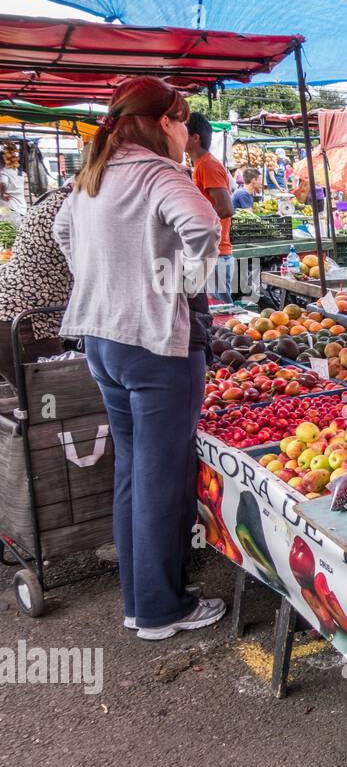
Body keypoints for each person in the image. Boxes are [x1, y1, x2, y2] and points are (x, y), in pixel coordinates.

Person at [52, 77, 225, 641]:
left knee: (133, 469)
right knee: (159, 474)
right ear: (162, 123)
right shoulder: (156, 174)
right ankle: (159, 609)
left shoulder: (91, 178)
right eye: (181, 122)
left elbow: (62, 234)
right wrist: (181, 282)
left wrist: (106, 278)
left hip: (101, 342)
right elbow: (203, 225)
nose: (184, 134)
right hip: (154, 346)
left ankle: (139, 598)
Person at [0, 184, 73, 377]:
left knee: (42, 400)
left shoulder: (56, 198)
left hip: (14, 313)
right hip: (25, 321)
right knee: (57, 398)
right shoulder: (71, 209)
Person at [186, 112, 234, 303]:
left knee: (221, 314)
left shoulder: (208, 165)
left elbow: (226, 208)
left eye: (183, 131)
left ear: (195, 138)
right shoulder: (200, 165)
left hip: (216, 253)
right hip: (209, 252)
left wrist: (194, 226)